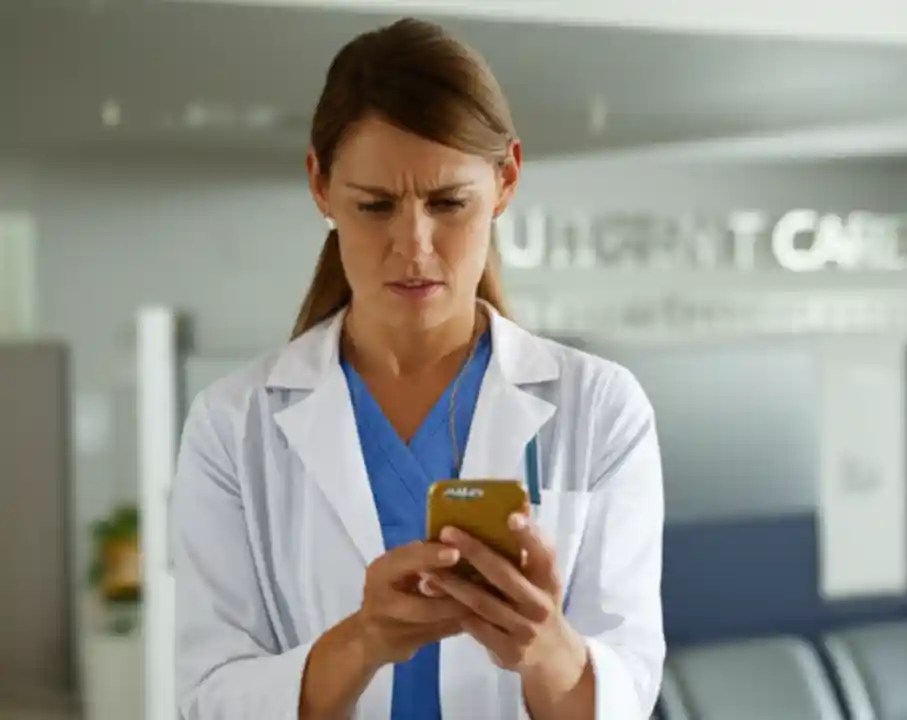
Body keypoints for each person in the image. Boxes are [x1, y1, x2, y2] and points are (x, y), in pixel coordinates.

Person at [170, 19, 665, 720]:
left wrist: (541, 644)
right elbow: (206, 698)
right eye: (374, 206)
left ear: (506, 180)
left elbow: (627, 692)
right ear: (320, 186)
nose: (413, 246)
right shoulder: (232, 425)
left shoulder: (602, 408)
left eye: (448, 203)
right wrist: (365, 638)